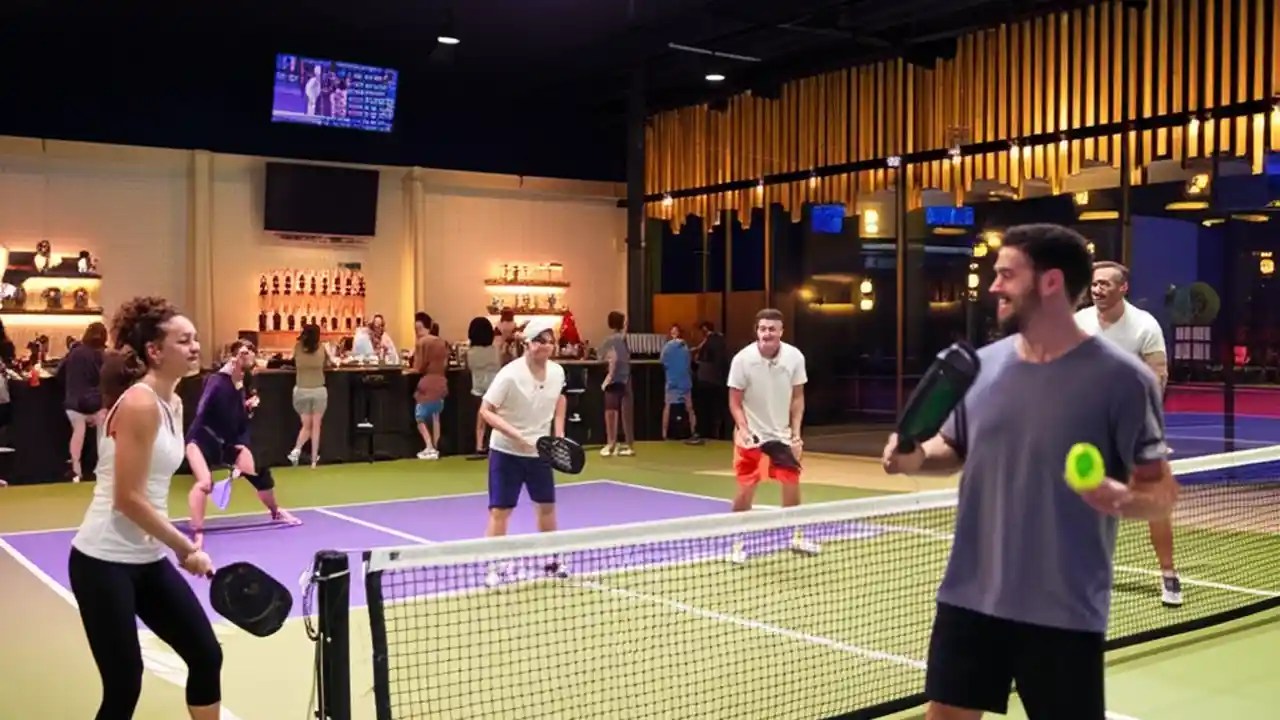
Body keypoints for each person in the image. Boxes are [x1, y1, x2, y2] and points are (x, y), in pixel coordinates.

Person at [882, 224, 1176, 719]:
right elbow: (951, 447)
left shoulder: (1125, 380)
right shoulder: (980, 367)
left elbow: (1161, 492)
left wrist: (1119, 498)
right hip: (970, 594)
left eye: (1006, 274)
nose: (993, 286)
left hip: (1063, 607)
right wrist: (915, 458)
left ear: (1050, 282)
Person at [67, 296, 223, 720]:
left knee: (206, 655)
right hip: (103, 562)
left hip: (147, 559)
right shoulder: (139, 403)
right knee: (124, 684)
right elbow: (127, 498)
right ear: (154, 351)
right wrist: (184, 547)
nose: (195, 347)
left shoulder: (174, 402)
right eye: (183, 340)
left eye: (195, 339)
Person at [1075, 260, 1181, 607]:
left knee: (1155, 505)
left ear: (1123, 288)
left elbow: (1158, 375)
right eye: (1094, 284)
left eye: (1105, 284)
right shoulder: (1079, 322)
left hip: (1136, 431)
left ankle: (1169, 575)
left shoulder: (1144, 325)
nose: (1097, 290)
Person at [478, 317, 567, 585]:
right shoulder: (509, 375)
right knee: (500, 510)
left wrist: (559, 434)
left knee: (547, 507)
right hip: (506, 452)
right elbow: (485, 410)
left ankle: (552, 559)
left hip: (540, 453)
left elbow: (560, 399)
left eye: (550, 340)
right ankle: (494, 566)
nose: (546, 345)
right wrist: (516, 435)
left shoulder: (557, 373)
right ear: (527, 344)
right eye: (540, 340)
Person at [185, 339, 298, 549]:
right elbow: (202, 409)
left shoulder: (245, 382)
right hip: (201, 440)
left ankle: (276, 512)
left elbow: (240, 423)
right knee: (205, 483)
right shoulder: (217, 381)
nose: (249, 356)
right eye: (244, 353)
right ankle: (197, 531)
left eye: (251, 352)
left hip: (227, 443)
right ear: (234, 358)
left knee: (259, 472)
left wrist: (245, 410)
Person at [727, 308, 818, 563]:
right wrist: (744, 430)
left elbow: (798, 398)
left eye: (772, 329)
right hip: (752, 436)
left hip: (782, 436)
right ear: (757, 331)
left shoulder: (794, 357)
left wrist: (796, 435)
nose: (767, 333)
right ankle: (737, 543)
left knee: (791, 484)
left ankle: (796, 537)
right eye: (763, 329)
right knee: (746, 488)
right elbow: (735, 402)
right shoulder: (742, 360)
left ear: (781, 331)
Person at [60, 321, 108, 482]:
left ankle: (76, 469)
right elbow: (104, 379)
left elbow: (60, 373)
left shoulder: (74, 352)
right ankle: (103, 467)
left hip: (73, 402)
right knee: (103, 433)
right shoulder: (102, 355)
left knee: (78, 433)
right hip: (95, 402)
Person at [288, 323, 333, 469]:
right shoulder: (322, 348)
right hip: (318, 390)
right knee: (316, 426)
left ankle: (296, 450)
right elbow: (330, 363)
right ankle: (313, 460)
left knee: (306, 426)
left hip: (301, 390)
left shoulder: (297, 348)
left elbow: (291, 360)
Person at [411, 312, 449, 460]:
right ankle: (436, 446)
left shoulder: (422, 343)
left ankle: (429, 446)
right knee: (435, 416)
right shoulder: (442, 342)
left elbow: (418, 367)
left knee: (419, 416)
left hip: (427, 383)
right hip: (441, 382)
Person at [465, 316, 502, 458]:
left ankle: (479, 445)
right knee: (498, 417)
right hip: (495, 386)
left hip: (478, 387)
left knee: (481, 417)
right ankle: (499, 445)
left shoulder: (470, 353)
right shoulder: (496, 351)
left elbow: (467, 367)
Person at [599, 310, 635, 457]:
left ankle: (611, 443)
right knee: (627, 412)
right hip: (626, 378)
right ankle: (629, 445)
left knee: (610, 411)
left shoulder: (609, 340)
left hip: (614, 379)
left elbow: (601, 356)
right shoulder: (624, 339)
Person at [659, 324, 700, 443]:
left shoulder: (667, 347)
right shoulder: (685, 347)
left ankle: (664, 434)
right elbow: (689, 363)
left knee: (668, 406)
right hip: (684, 381)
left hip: (672, 381)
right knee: (689, 407)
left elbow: (663, 362)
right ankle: (693, 431)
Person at [693, 320, 729, 440]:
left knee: (704, 408)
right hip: (718, 379)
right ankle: (716, 433)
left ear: (704, 329)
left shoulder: (708, 342)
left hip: (706, 379)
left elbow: (701, 359)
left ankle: (704, 432)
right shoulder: (721, 341)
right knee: (716, 408)